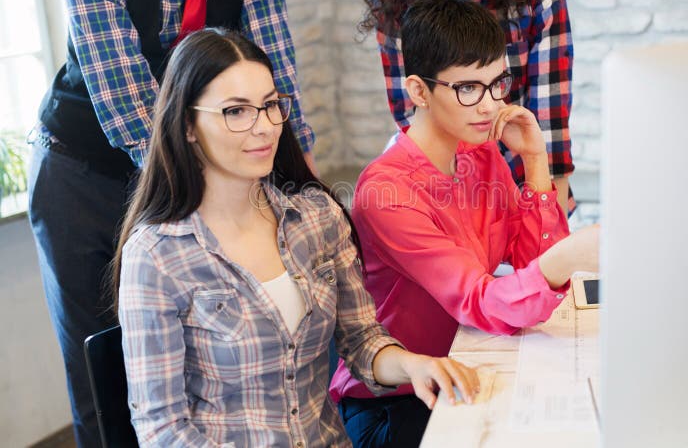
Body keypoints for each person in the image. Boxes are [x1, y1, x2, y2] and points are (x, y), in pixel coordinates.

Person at [112, 28, 479, 447]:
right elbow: (163, 430)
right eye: (236, 111)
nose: (265, 127)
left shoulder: (316, 218)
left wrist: (413, 366)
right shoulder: (157, 256)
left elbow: (361, 341)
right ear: (188, 125)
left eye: (270, 105)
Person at [26, 0, 315, 446]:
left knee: (188, 357)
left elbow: (276, 81)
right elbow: (136, 119)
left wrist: (301, 188)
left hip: (193, 167)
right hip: (82, 176)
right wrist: (220, 201)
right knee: (103, 367)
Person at [330, 0, 599, 448]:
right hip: (396, 400)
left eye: (498, 83)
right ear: (419, 91)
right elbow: (484, 300)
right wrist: (566, 258)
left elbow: (532, 262)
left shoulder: (480, 152)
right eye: (469, 88)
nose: (491, 105)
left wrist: (535, 160)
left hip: (467, 359)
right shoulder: (384, 192)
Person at [361, 0, 576, 215]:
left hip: (526, 179)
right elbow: (411, 115)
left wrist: (552, 221)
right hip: (446, 190)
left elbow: (550, 122)